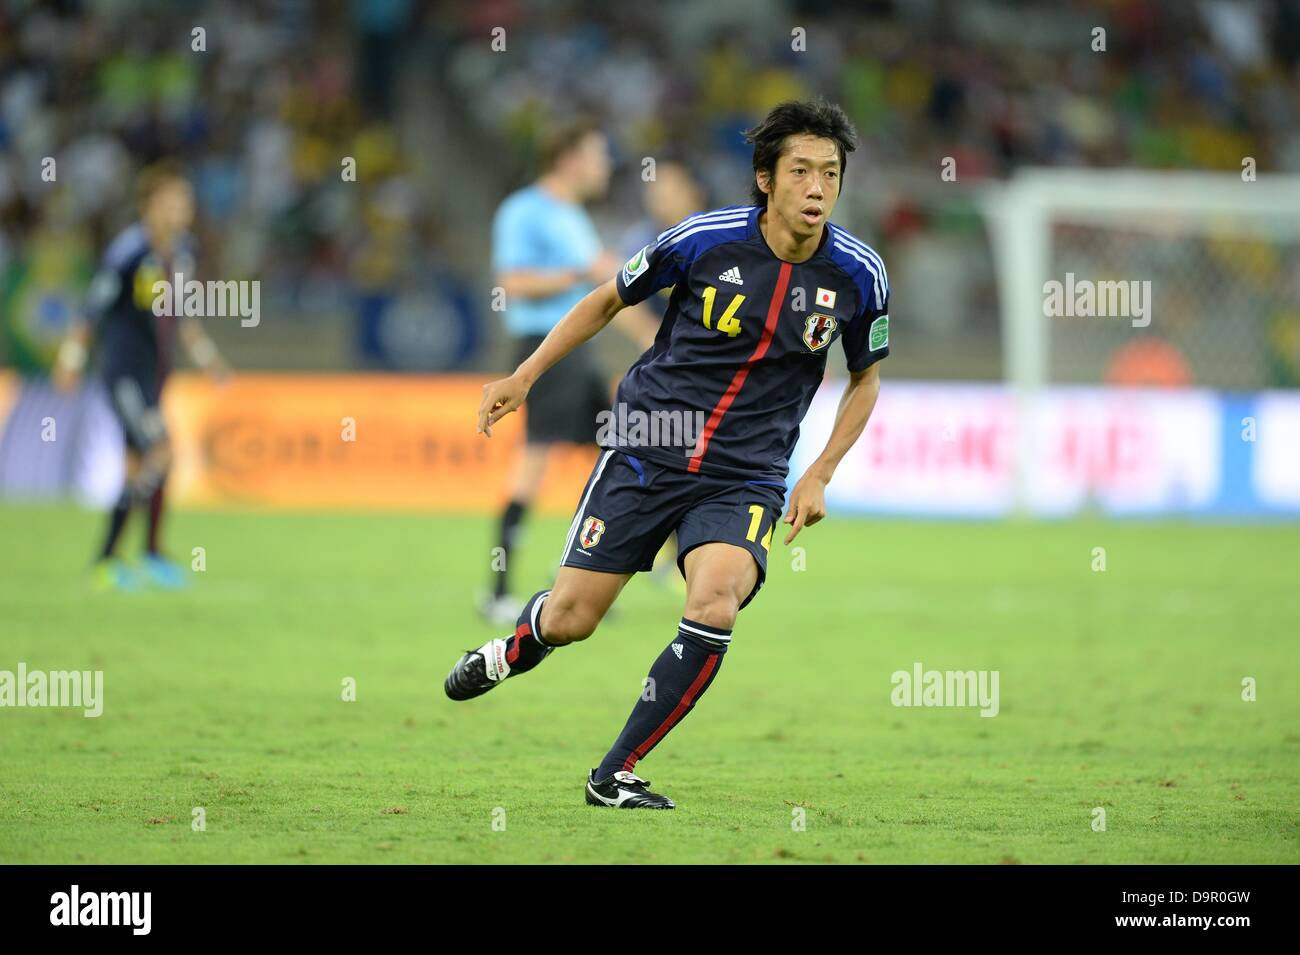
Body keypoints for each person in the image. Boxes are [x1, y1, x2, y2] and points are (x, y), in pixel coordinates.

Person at [446, 100, 890, 810]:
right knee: (571, 619)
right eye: (801, 171)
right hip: (649, 449)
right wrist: (524, 375)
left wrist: (821, 469)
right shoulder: (702, 240)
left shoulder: (859, 274)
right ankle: (511, 649)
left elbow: (866, 380)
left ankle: (614, 771)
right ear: (765, 179)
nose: (817, 188)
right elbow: (606, 300)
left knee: (715, 602)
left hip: (746, 474)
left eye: (829, 174)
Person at [481, 118, 654, 626]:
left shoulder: (573, 217)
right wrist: (575, 273)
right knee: (534, 463)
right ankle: (498, 592)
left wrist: (652, 335)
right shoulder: (524, 210)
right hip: (543, 349)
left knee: (616, 454)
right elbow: (512, 282)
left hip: (578, 354)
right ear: (569, 158)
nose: (604, 167)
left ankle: (581, 588)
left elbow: (608, 289)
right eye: (598, 155)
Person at [53, 163, 229, 590]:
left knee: (139, 466)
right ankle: (132, 555)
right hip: (124, 373)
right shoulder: (128, 253)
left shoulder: (183, 253)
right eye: (171, 201)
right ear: (149, 206)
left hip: (156, 376)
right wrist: (71, 357)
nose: (180, 210)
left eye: (184, 202)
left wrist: (208, 358)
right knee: (161, 450)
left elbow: (183, 317)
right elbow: (91, 309)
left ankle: (119, 559)